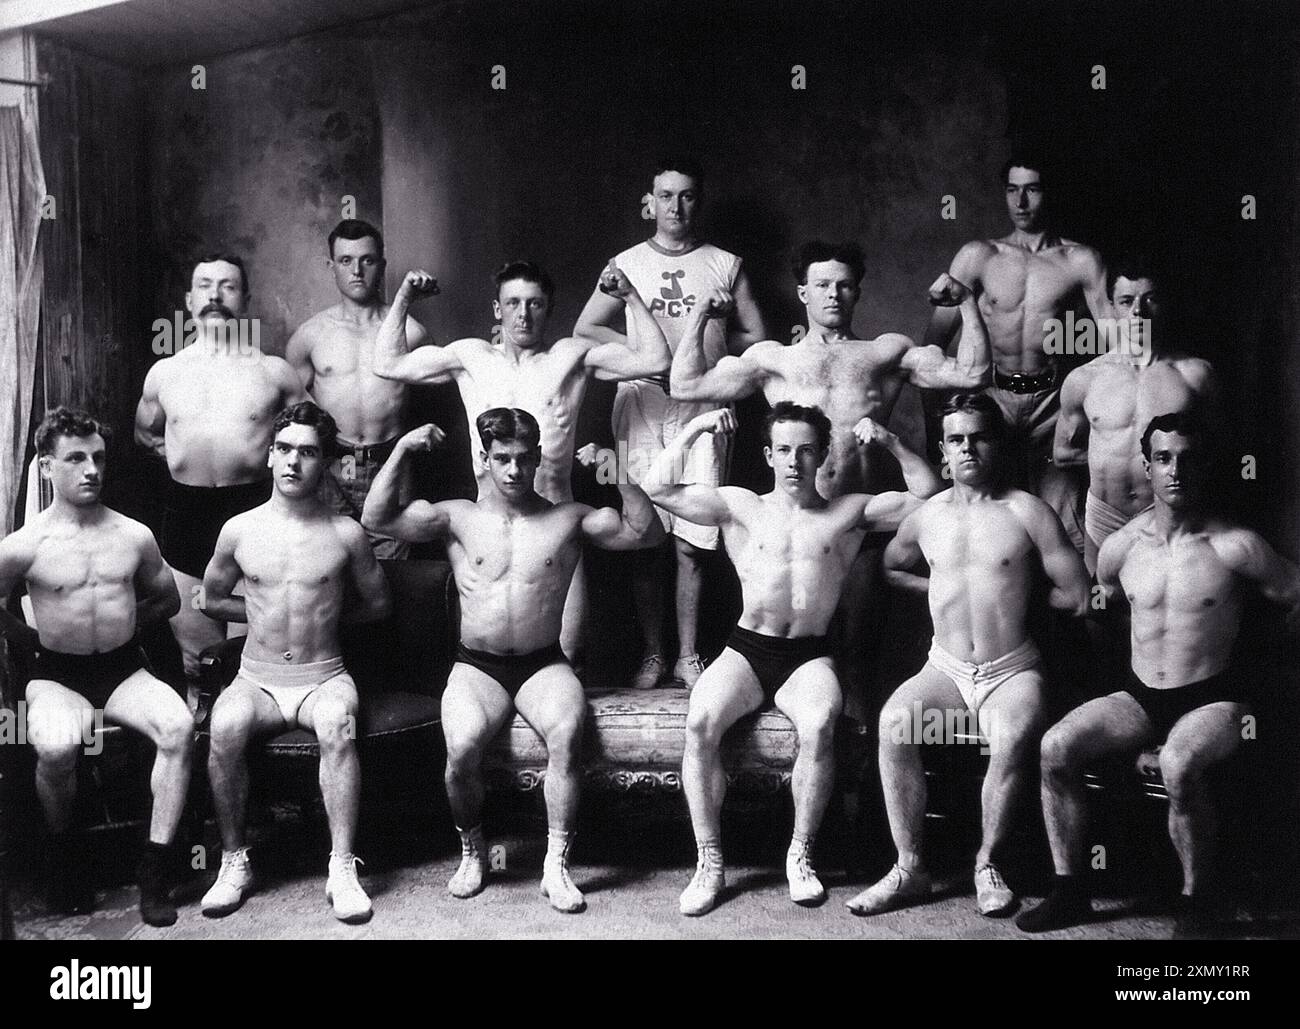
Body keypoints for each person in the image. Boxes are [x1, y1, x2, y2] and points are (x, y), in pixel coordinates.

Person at [642, 402, 942, 915]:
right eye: (784, 450)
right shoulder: (740, 505)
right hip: (746, 649)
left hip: (807, 655)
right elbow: (658, 488)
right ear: (768, 455)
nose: (795, 462)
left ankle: (799, 854)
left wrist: (890, 440)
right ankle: (709, 860)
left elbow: (928, 496)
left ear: (823, 455)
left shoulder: (848, 514)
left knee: (823, 721)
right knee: (700, 723)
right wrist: (695, 428)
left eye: (806, 450)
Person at [669, 241, 992, 717]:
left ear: (857, 292)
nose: (833, 295)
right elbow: (686, 385)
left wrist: (967, 302)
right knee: (797, 651)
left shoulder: (885, 352)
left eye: (844, 285)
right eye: (822, 285)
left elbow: (974, 374)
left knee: (858, 657)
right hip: (793, 529)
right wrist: (699, 315)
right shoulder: (772, 358)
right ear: (803, 293)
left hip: (861, 523)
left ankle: (858, 779)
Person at [361, 408, 664, 912]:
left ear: (539, 457)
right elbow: (376, 519)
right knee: (459, 751)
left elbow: (645, 532)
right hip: (476, 667)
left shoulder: (567, 519)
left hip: (544, 664)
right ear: (484, 459)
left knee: (567, 737)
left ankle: (555, 865)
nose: (514, 470)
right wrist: (400, 450)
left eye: (524, 459)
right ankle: (473, 848)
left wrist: (616, 468)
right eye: (502, 459)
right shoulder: (456, 517)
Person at [1018, 412, 1300, 937]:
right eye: (1164, 459)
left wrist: (1259, 669)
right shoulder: (1123, 547)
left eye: (1189, 459)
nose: (1176, 471)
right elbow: (1107, 609)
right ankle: (1071, 890)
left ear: (1207, 465)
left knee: (1178, 761)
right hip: (1141, 692)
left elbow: (1294, 598)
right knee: (1055, 747)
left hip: (1216, 695)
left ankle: (1197, 904)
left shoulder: (1235, 545)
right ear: (1147, 467)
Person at [849, 393, 1089, 918]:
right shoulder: (926, 516)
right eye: (956, 439)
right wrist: (937, 587)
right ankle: (910, 868)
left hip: (1012, 669)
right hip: (947, 668)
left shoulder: (1028, 511)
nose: (968, 448)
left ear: (997, 444)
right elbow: (891, 568)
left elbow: (1077, 595)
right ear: (942, 451)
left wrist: (1019, 592)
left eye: (979, 436)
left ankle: (988, 864)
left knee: (1011, 735)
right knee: (894, 724)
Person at [370, 261, 670, 662]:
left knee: (566, 651)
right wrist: (405, 297)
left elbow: (655, 360)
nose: (523, 314)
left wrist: (629, 296)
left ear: (548, 308)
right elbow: (387, 364)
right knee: (492, 649)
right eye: (512, 303)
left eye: (535, 304)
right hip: (488, 529)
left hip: (556, 525)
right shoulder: (470, 356)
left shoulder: (571, 357)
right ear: (497, 310)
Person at [574, 156, 766, 689]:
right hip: (639, 403)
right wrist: (644, 354)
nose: (675, 206)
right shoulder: (625, 263)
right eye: (665, 196)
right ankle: (653, 654)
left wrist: (715, 347)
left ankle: (688, 653)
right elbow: (585, 329)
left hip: (702, 407)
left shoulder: (725, 263)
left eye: (685, 196)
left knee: (694, 536)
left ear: (697, 202)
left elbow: (758, 338)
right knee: (647, 534)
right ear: (649, 202)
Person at [199, 402, 392, 924]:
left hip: (324, 676)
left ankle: (342, 867)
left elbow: (379, 604)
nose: (293, 462)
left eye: (307, 452)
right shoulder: (238, 529)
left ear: (325, 462)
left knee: (338, 725)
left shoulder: (346, 533)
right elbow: (210, 599)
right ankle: (234, 861)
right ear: (269, 456)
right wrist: (259, 610)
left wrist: (322, 618)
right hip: (256, 678)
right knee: (224, 726)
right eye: (284, 449)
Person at [0, 408, 192, 926]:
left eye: (99, 457)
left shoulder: (133, 535)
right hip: (57, 677)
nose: (91, 469)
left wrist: (124, 624)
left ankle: (155, 871)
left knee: (178, 727)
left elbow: (168, 601)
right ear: (46, 467)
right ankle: (65, 862)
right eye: (76, 458)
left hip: (125, 669)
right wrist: (31, 641)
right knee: (58, 746)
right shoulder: (23, 545)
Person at [135, 254, 306, 694]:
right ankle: (198, 747)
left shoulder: (274, 372)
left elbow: (311, 439)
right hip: (186, 517)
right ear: (189, 299)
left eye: (227, 286)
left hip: (253, 516)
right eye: (205, 286)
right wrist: (187, 460)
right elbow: (145, 434)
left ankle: (249, 746)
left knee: (254, 657)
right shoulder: (164, 373)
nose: (215, 296)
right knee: (196, 663)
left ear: (245, 299)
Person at [924, 151, 1109, 550]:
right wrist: (935, 427)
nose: (1021, 203)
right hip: (992, 400)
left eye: (1032, 190)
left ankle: (1079, 607)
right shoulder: (979, 256)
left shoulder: (1080, 260)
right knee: (993, 523)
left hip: (1052, 404)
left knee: (1065, 521)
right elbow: (932, 349)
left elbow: (1116, 344)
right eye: (1012, 190)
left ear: (1050, 193)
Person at [1053, 256, 1218, 573]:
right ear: (1112, 307)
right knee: (1099, 610)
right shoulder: (1084, 379)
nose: (1138, 312)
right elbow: (1061, 454)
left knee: (1164, 606)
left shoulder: (1195, 375)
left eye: (1150, 299)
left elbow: (1215, 449)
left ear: (1164, 304)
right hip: (1104, 514)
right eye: (1126, 301)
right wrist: (1107, 456)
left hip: (1168, 513)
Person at [285, 219, 431, 558]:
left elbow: (436, 403)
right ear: (331, 266)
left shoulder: (411, 332)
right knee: (329, 562)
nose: (357, 270)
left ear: (381, 264)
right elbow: (290, 411)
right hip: (330, 465)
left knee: (394, 571)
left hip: (391, 462)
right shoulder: (310, 335)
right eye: (346, 260)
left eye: (367, 260)